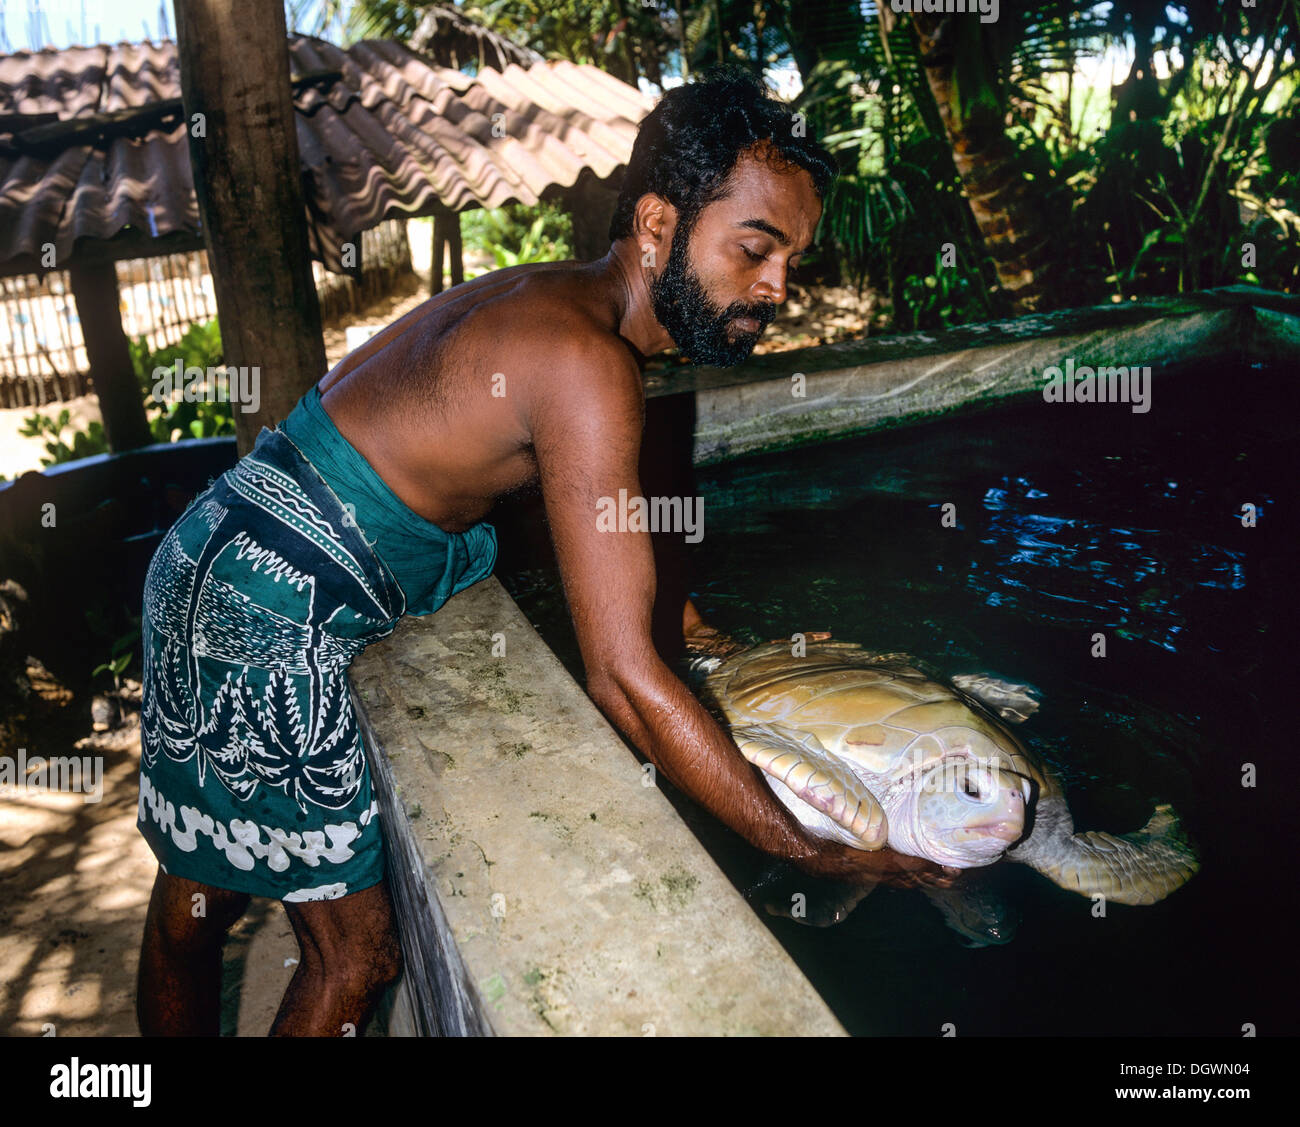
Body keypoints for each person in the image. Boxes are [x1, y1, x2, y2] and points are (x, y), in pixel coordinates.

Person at [135, 66, 946, 1038]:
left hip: (206, 551)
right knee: (357, 955)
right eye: (756, 248)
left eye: (791, 258)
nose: (777, 286)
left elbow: (589, 525)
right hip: (271, 607)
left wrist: (699, 632)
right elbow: (622, 679)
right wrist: (804, 848)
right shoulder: (590, 363)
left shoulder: (554, 305)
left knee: (199, 893)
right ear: (657, 223)